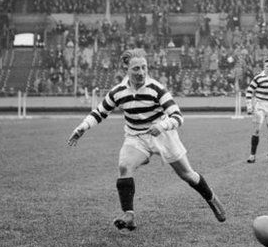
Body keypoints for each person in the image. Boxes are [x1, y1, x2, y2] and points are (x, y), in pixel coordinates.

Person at [67, 48, 226, 231]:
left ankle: (211, 199)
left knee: (187, 175)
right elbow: (99, 112)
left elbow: (177, 116)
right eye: (136, 69)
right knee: (124, 166)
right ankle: (129, 215)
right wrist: (82, 127)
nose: (141, 72)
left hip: (163, 135)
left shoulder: (156, 89)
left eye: (144, 67)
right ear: (126, 68)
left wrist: (162, 126)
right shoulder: (118, 92)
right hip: (136, 137)